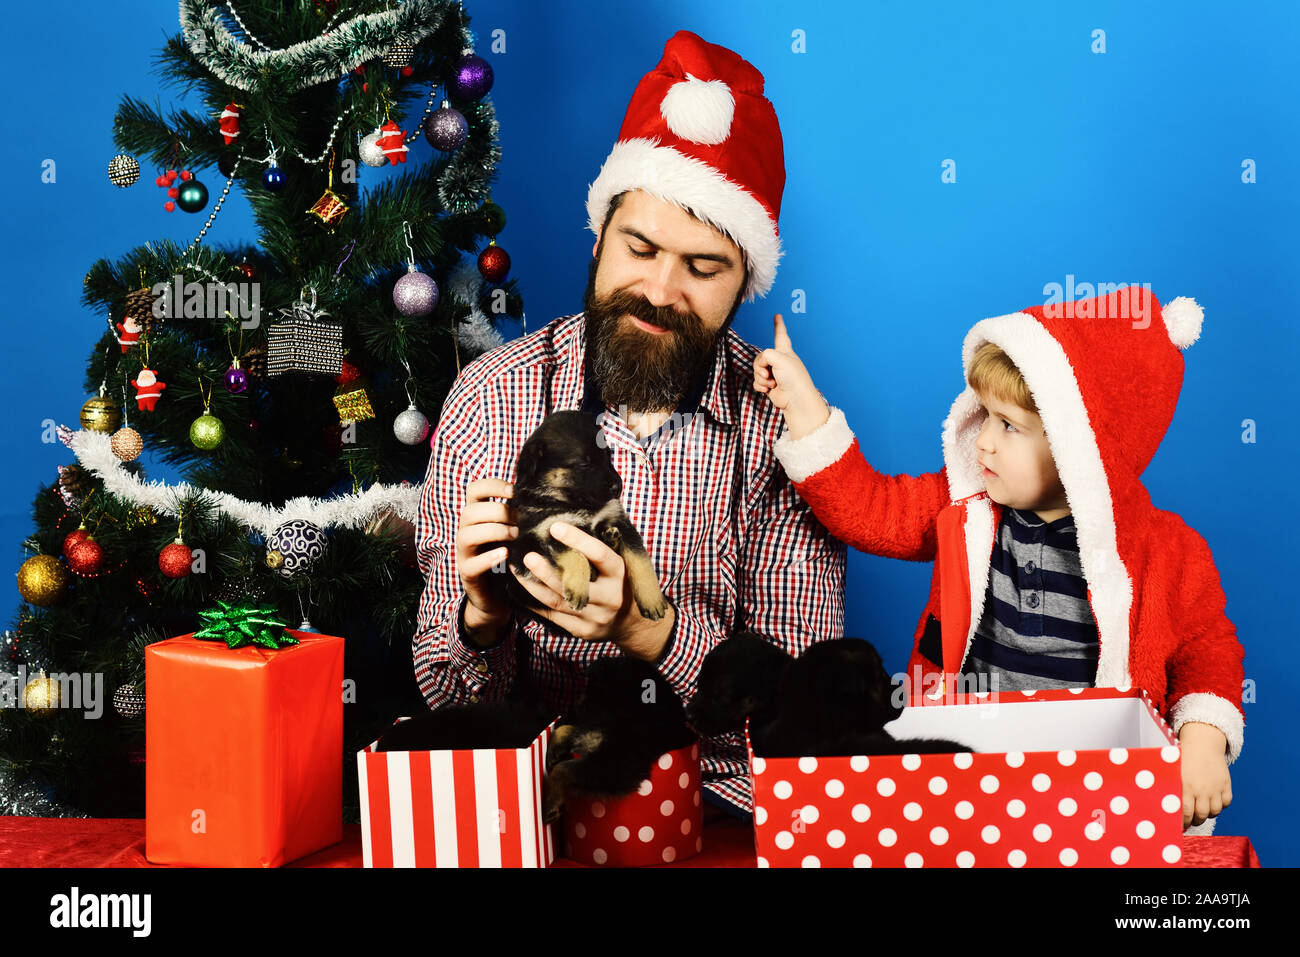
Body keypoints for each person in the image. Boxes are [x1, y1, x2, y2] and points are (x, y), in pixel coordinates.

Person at [412, 30, 846, 816]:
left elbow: (804, 716)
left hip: (717, 816)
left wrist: (652, 632)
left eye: (704, 267)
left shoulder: (789, 434)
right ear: (600, 232)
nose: (660, 289)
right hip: (531, 816)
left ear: (744, 279)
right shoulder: (488, 399)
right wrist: (480, 615)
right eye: (639, 246)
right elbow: (447, 702)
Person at [755, 287, 1243, 832]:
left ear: (1079, 447)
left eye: (1009, 425)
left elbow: (1208, 650)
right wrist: (803, 407)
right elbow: (869, 511)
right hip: (974, 773)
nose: (982, 442)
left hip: (1101, 787)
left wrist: (1204, 737)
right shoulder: (967, 509)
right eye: (983, 415)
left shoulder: (1167, 551)